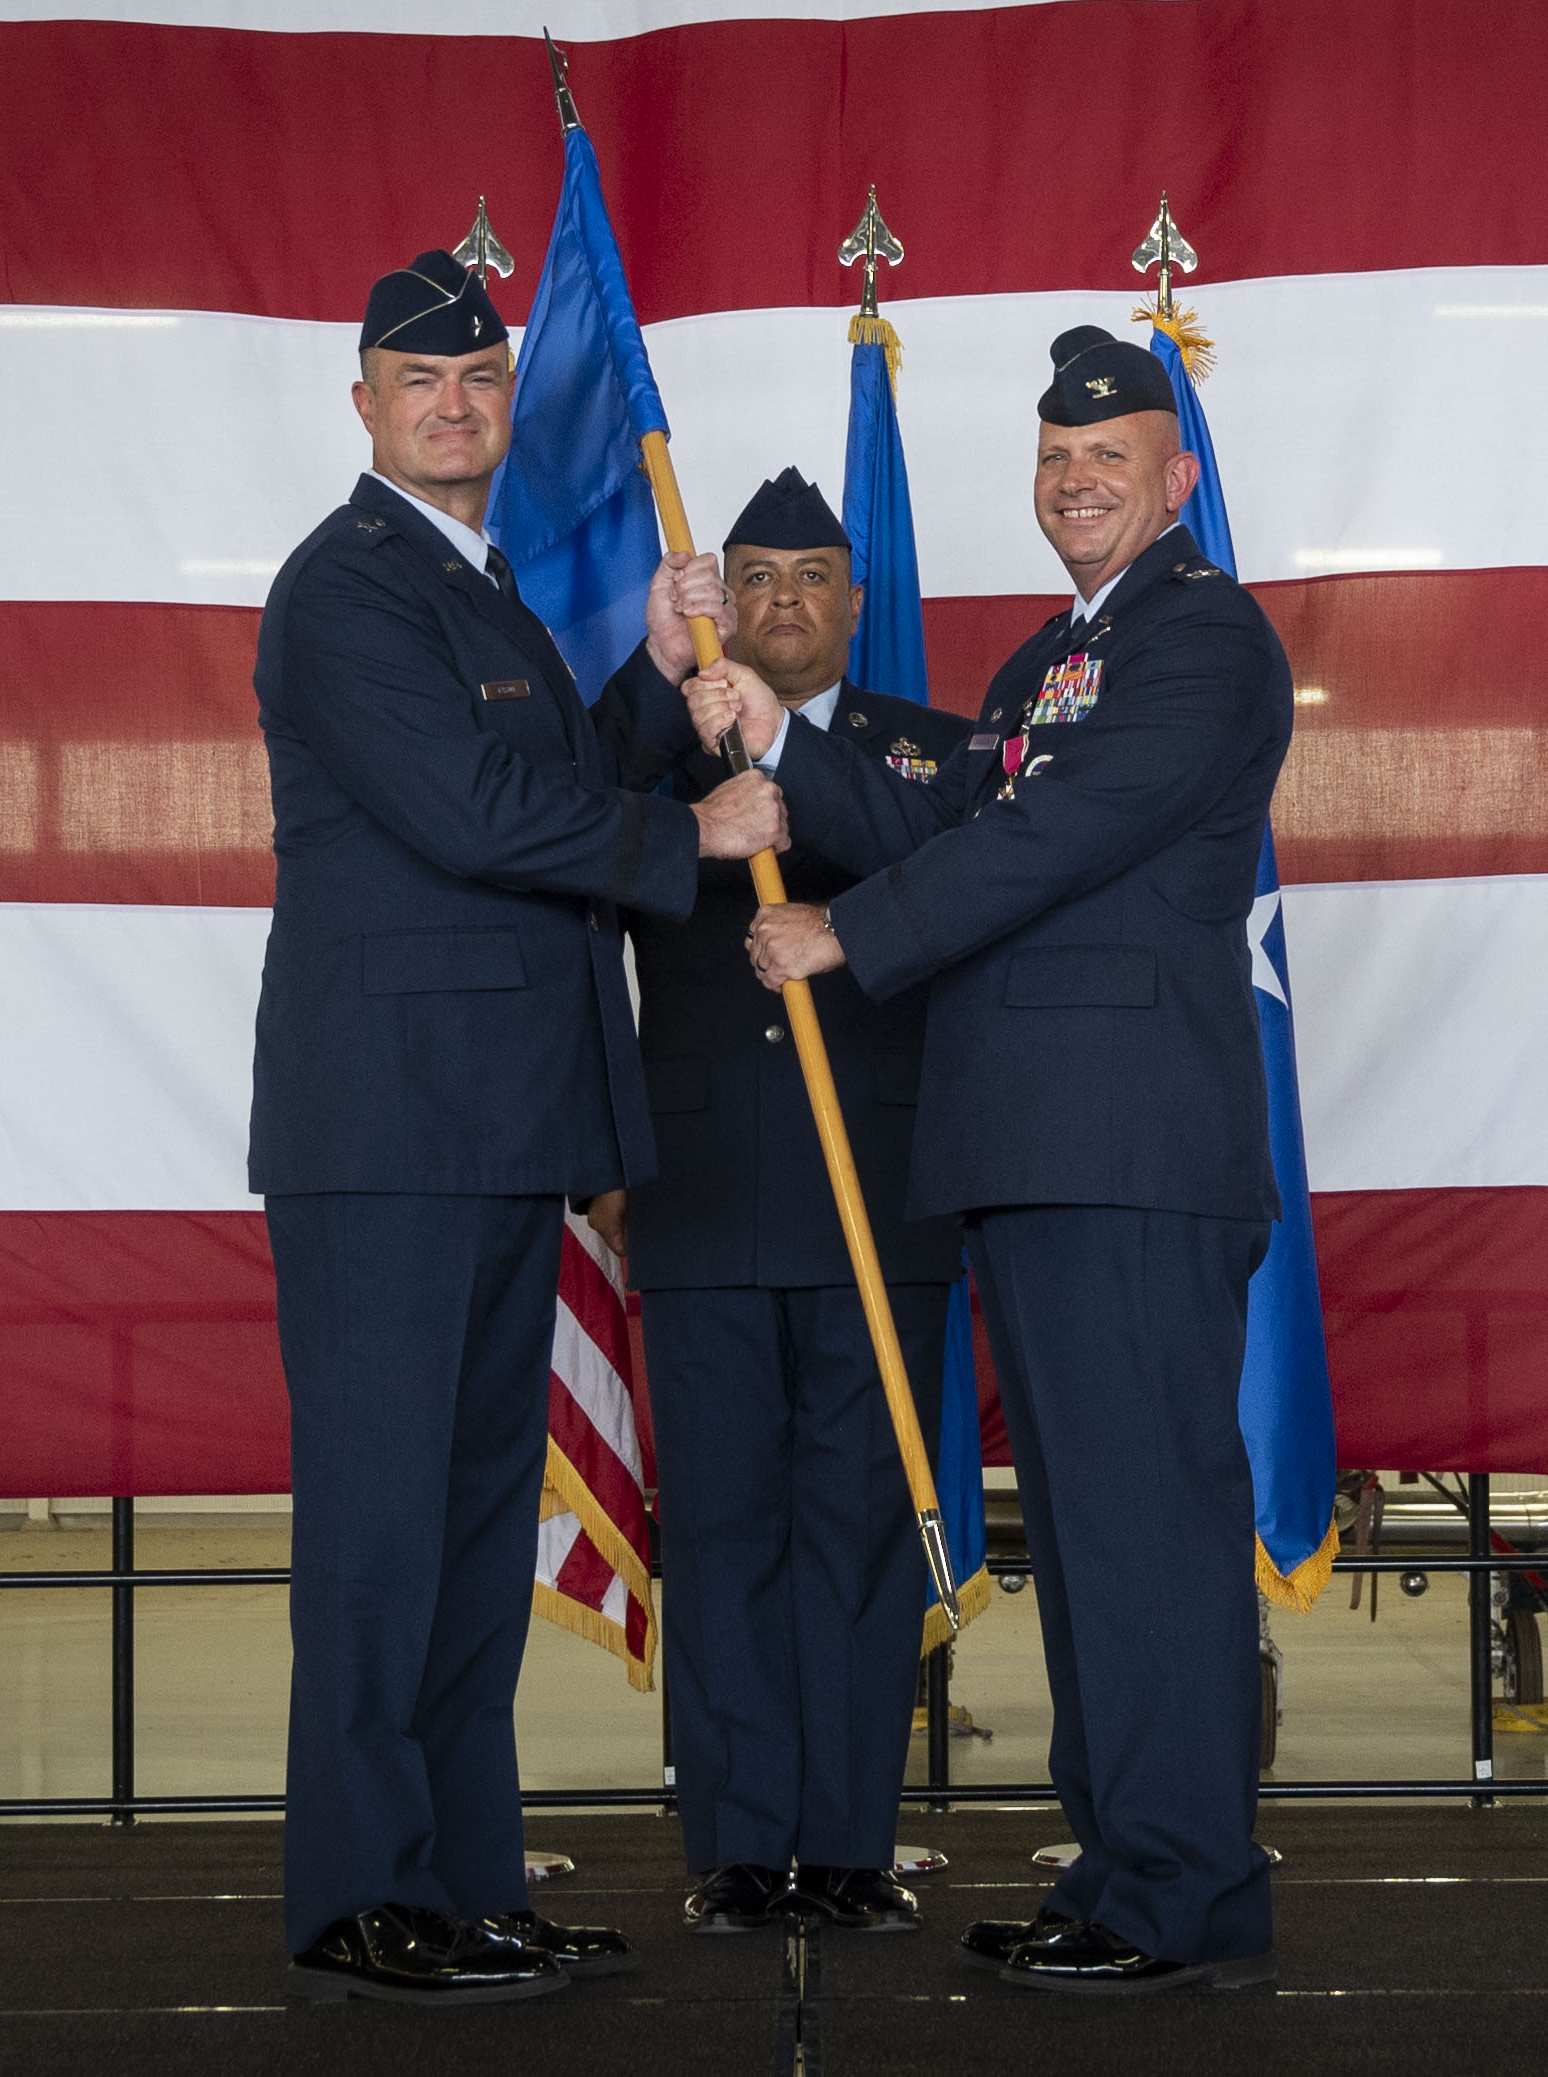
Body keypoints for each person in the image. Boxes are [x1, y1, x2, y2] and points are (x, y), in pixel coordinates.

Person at [696, 326, 1291, 1994]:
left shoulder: (1204, 641)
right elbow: (950, 813)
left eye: (1109, 457)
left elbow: (1062, 832)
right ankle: (1121, 1867)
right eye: (1053, 460)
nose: (1075, 480)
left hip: (1127, 1151)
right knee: (1095, 1539)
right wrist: (783, 737)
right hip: (1032, 1150)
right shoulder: (1045, 661)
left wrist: (848, 935)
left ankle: (1181, 1887)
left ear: (1178, 478)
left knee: (1150, 1533)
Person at [248, 249, 786, 2004]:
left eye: (480, 377)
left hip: (494, 1127)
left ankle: (464, 1877)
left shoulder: (476, 595)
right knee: (385, 1533)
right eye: (424, 385)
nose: (459, 405)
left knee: (474, 1528)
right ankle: (355, 1893)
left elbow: (548, 785)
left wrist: (634, 681)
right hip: (389, 1137)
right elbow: (476, 811)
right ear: (365, 410)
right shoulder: (346, 590)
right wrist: (692, 840)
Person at [590, 468, 972, 1936]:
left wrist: (782, 750)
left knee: (857, 1534)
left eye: (814, 575)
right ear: (718, 601)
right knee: (731, 1531)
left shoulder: (923, 755)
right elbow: (561, 893)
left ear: (854, 603)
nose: (785, 601)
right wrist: (600, 1162)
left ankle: (848, 1841)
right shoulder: (651, 764)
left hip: (878, 1198)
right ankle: (740, 1843)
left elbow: (940, 873)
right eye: (754, 577)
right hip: (693, 1199)